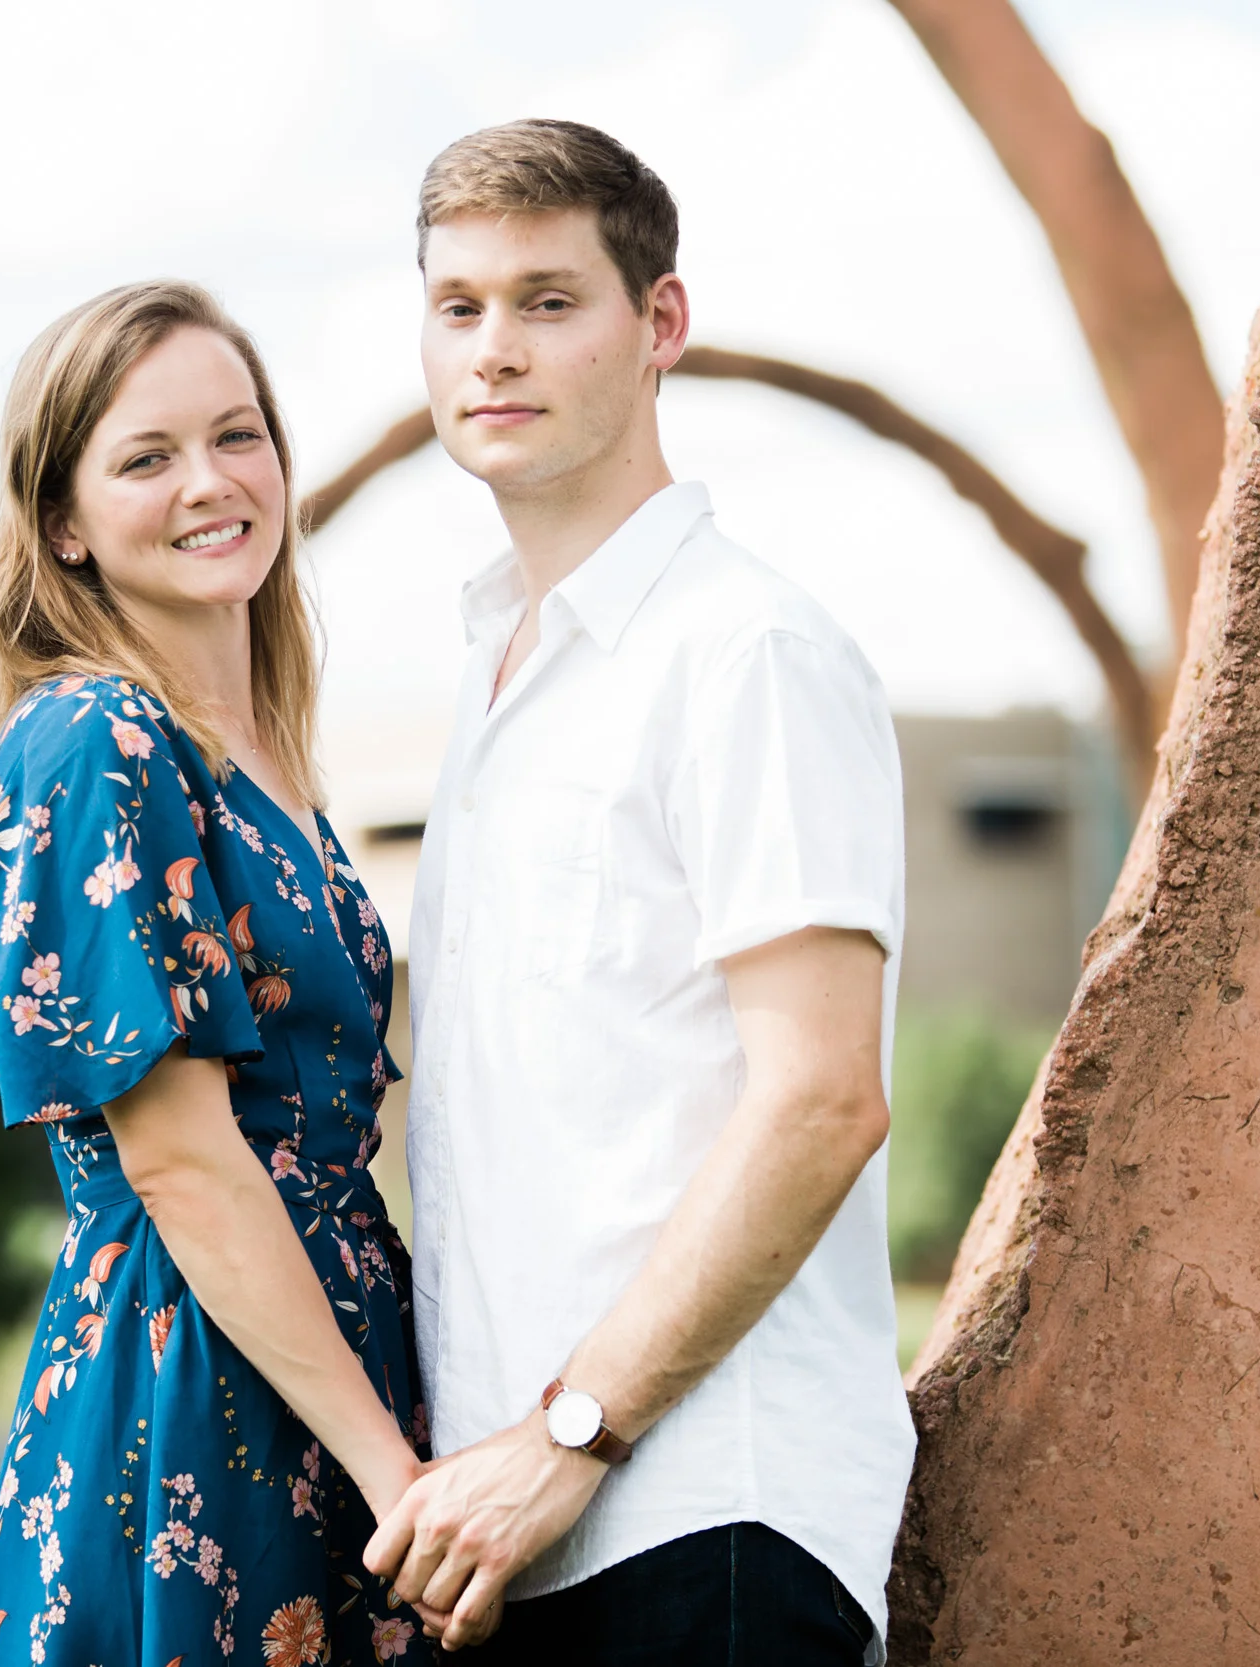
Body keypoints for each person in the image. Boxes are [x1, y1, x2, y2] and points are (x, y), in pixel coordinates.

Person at [362, 120, 913, 1663]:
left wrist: (576, 1431)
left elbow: (821, 1100)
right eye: (458, 307)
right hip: (511, 1530)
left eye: (549, 301)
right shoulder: (495, 669)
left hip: (699, 1518)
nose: (496, 351)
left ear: (658, 324)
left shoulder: (747, 654)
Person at [0, 281, 434, 1667]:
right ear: (64, 522)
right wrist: (392, 1478)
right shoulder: (93, 739)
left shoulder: (267, 759)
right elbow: (181, 1162)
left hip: (335, 1363)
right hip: (193, 1394)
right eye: (147, 456)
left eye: (238, 436)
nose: (211, 483)